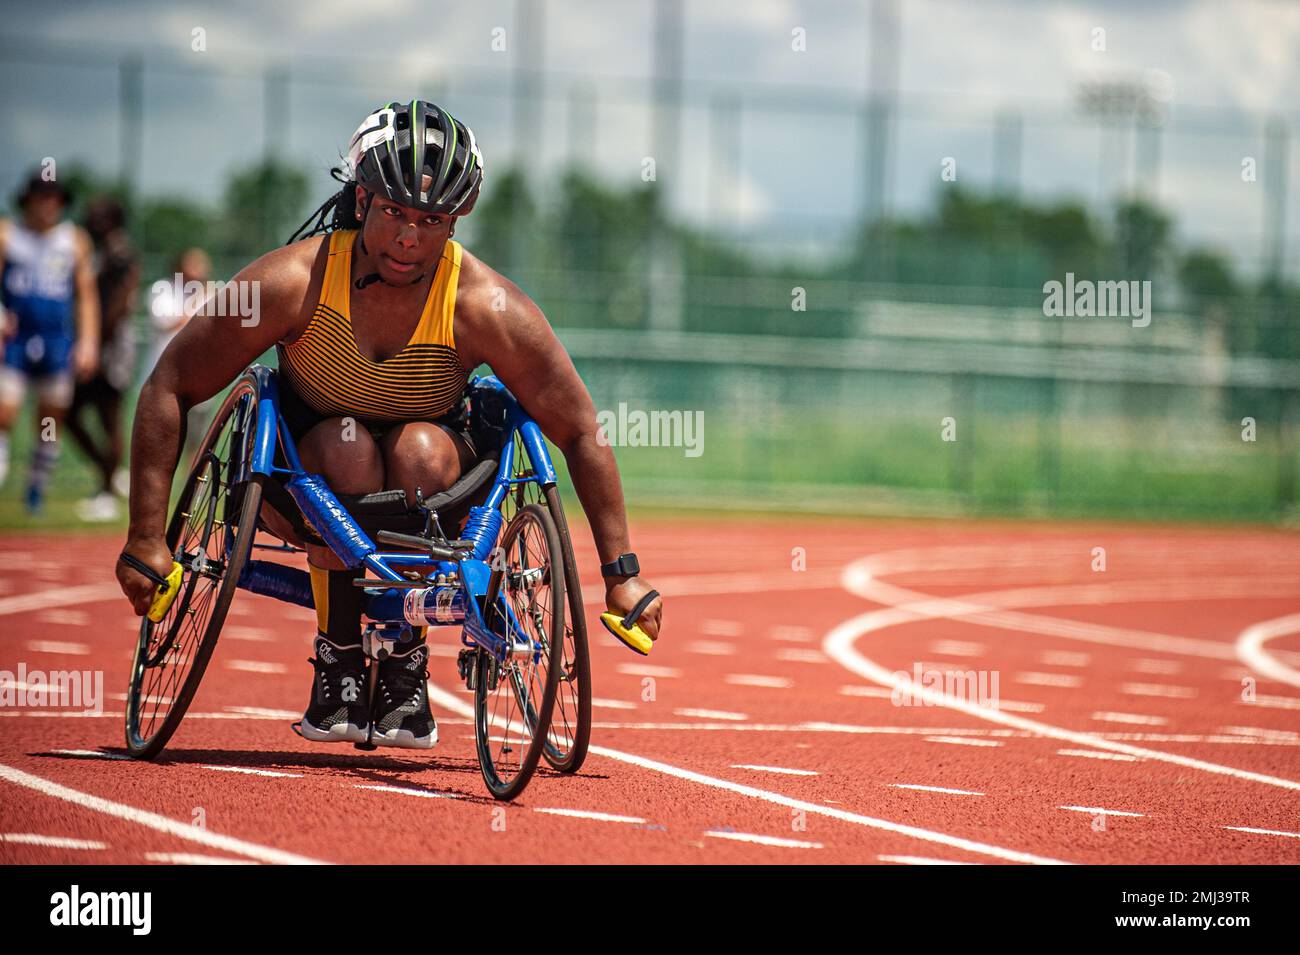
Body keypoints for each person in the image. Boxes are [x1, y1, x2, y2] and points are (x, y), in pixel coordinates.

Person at [116, 100, 664, 749]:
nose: (409, 238)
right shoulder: (292, 281)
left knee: (420, 450)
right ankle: (340, 654)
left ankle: (405, 660)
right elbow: (169, 386)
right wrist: (147, 535)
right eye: (396, 213)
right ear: (363, 197)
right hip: (304, 477)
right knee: (349, 448)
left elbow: (578, 428)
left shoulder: (483, 305)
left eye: (431, 221)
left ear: (456, 220)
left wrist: (622, 570)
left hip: (429, 482)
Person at [0, 172, 99, 513]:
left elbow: (86, 296)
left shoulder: (72, 240)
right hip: (16, 339)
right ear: (27, 200)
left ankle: (37, 486)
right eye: (41, 197)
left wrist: (88, 342)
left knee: (49, 418)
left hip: (57, 341)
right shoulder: (8, 235)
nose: (48, 205)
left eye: (54, 198)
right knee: (5, 409)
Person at [67, 196, 140, 521]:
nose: (90, 219)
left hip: (111, 343)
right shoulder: (96, 252)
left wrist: (96, 341)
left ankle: (108, 493)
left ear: (112, 219)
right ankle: (108, 472)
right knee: (68, 414)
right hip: (92, 341)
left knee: (110, 416)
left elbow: (120, 303)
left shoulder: (121, 253)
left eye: (97, 215)